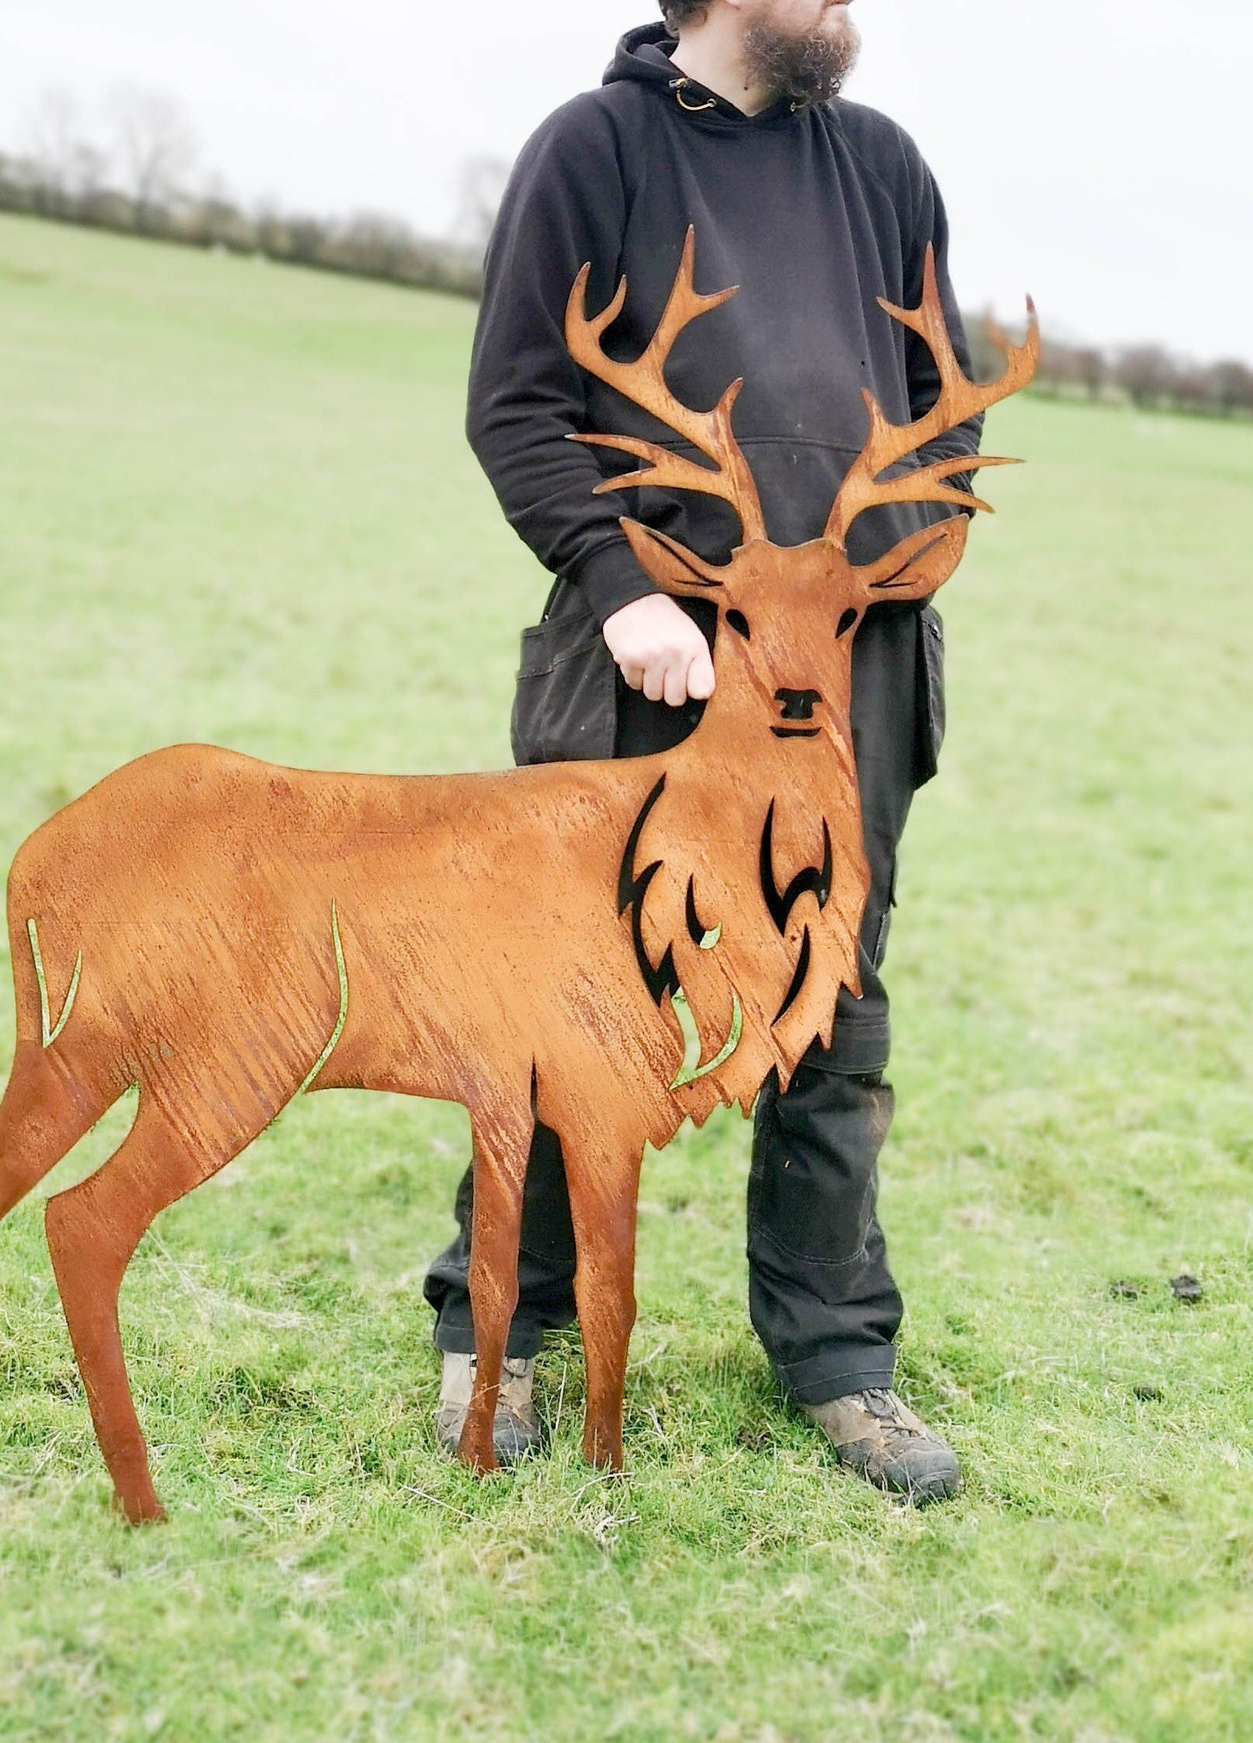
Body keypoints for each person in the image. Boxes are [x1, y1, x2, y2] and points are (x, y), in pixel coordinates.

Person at [423, 0, 980, 1502]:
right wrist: (629, 594)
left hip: (847, 679)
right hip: (648, 677)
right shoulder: (591, 151)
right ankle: (501, 1325)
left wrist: (869, 583)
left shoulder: (884, 166)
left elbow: (947, 425)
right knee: (571, 1004)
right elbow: (519, 407)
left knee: (831, 1003)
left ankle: (839, 1356)